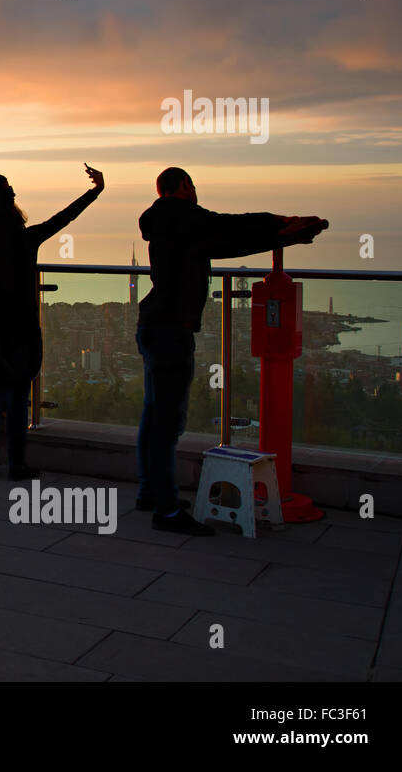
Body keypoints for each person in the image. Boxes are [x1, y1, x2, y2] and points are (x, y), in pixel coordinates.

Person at [136, 167, 327, 535]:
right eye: (193, 187)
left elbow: (224, 240)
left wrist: (280, 234)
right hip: (171, 332)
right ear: (183, 187)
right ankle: (167, 511)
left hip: (154, 327)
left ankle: (152, 493)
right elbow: (230, 228)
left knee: (153, 416)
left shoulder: (164, 224)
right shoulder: (183, 216)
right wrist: (280, 226)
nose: (197, 194)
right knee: (166, 423)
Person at [0, 164, 104, 479]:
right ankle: (17, 463)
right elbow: (62, 219)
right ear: (8, 199)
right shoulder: (21, 236)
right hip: (18, 328)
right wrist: (94, 192)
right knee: (19, 396)